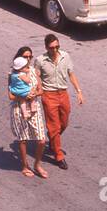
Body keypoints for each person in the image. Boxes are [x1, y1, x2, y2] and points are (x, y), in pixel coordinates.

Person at [34, 34, 83, 169]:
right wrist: (39, 91)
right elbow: (37, 77)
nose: (55, 50)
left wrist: (79, 91)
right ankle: (58, 155)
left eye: (57, 47)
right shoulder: (40, 60)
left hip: (63, 94)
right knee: (54, 126)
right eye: (51, 48)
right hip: (49, 95)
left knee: (64, 122)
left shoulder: (65, 56)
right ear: (46, 47)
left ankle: (53, 139)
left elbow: (71, 74)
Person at [8, 47, 47, 178]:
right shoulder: (13, 74)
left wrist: (35, 93)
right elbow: (11, 96)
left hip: (35, 108)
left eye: (30, 56)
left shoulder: (35, 71)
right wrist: (24, 97)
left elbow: (41, 90)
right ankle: (25, 165)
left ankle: (37, 164)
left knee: (42, 140)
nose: (28, 59)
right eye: (25, 57)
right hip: (19, 109)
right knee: (23, 139)